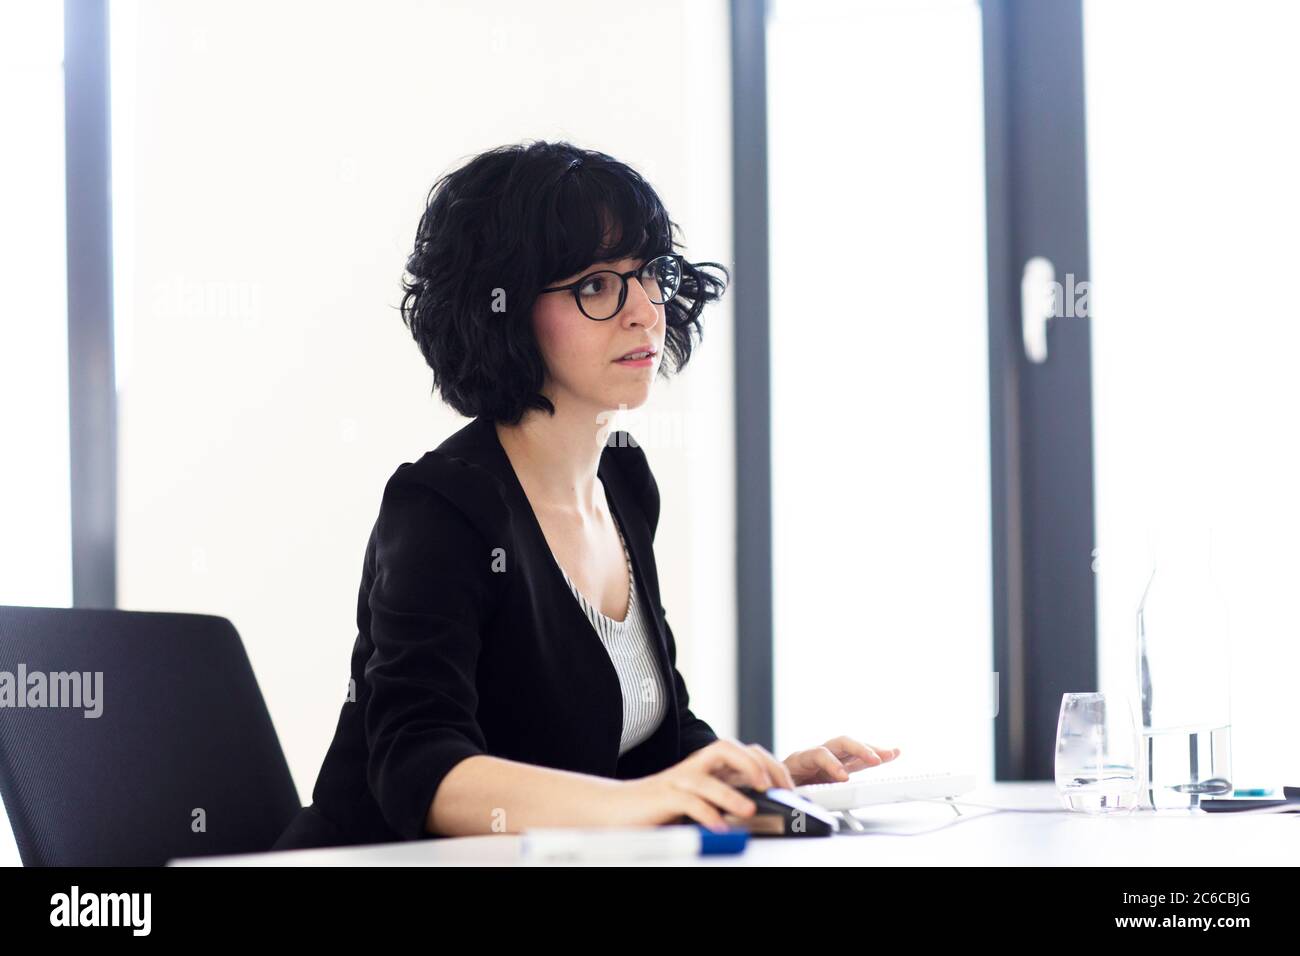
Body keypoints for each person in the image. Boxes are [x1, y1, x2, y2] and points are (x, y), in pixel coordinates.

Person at [272, 141, 899, 849]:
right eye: (596, 286)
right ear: (501, 309)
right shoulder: (442, 507)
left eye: (648, 275)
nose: (644, 312)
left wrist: (761, 786)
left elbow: (655, 737)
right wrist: (649, 801)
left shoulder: (624, 482)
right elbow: (420, 767)